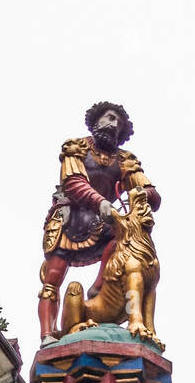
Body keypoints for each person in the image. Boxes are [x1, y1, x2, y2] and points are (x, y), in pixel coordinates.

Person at [39, 101, 161, 343]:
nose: (112, 124)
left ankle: (100, 286)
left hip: (104, 223)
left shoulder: (124, 159)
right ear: (96, 121)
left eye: (117, 122)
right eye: (108, 117)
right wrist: (102, 202)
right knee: (52, 278)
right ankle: (47, 334)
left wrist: (141, 193)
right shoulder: (77, 148)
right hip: (69, 220)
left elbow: (152, 194)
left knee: (128, 241)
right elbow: (74, 183)